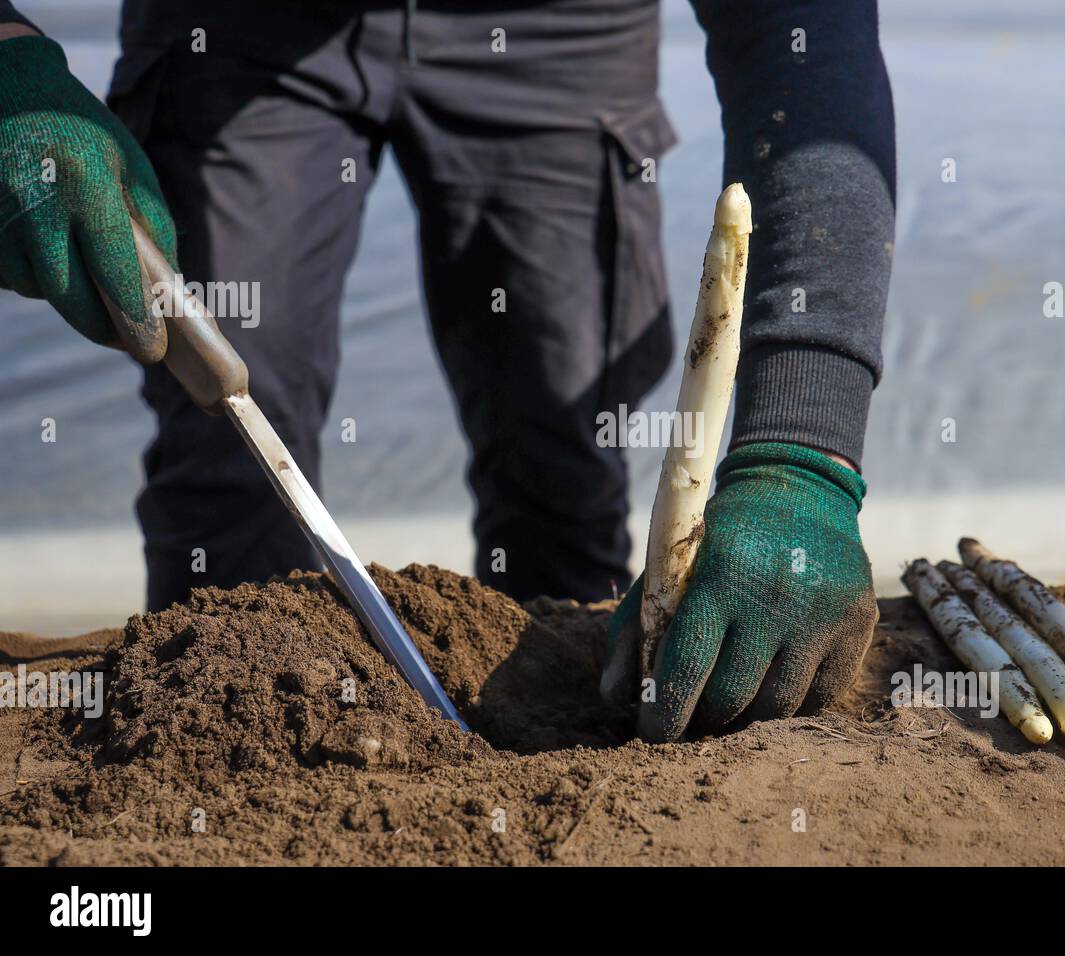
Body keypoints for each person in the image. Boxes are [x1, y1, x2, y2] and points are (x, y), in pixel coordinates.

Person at [0, 0, 895, 742]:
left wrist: (800, 452)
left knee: (562, 477)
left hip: (557, 30)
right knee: (231, 468)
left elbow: (801, 38)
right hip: (237, 29)